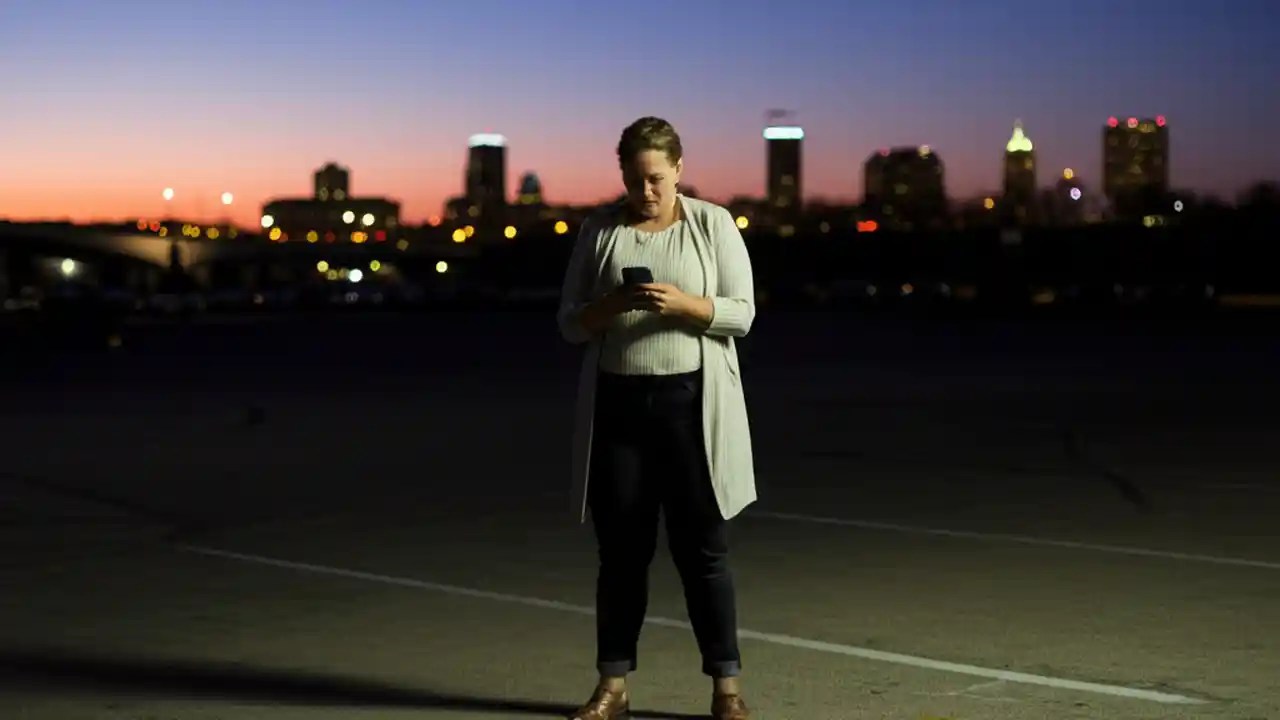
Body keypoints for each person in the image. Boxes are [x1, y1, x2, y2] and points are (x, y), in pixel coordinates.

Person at [556, 117, 758, 720]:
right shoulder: (599, 231)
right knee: (620, 555)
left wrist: (686, 305)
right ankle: (612, 687)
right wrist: (611, 306)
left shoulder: (713, 224)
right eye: (635, 179)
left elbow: (743, 314)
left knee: (704, 551)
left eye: (657, 179)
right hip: (619, 409)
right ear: (620, 173)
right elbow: (569, 322)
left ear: (679, 170)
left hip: (692, 406)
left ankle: (727, 689)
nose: (646, 192)